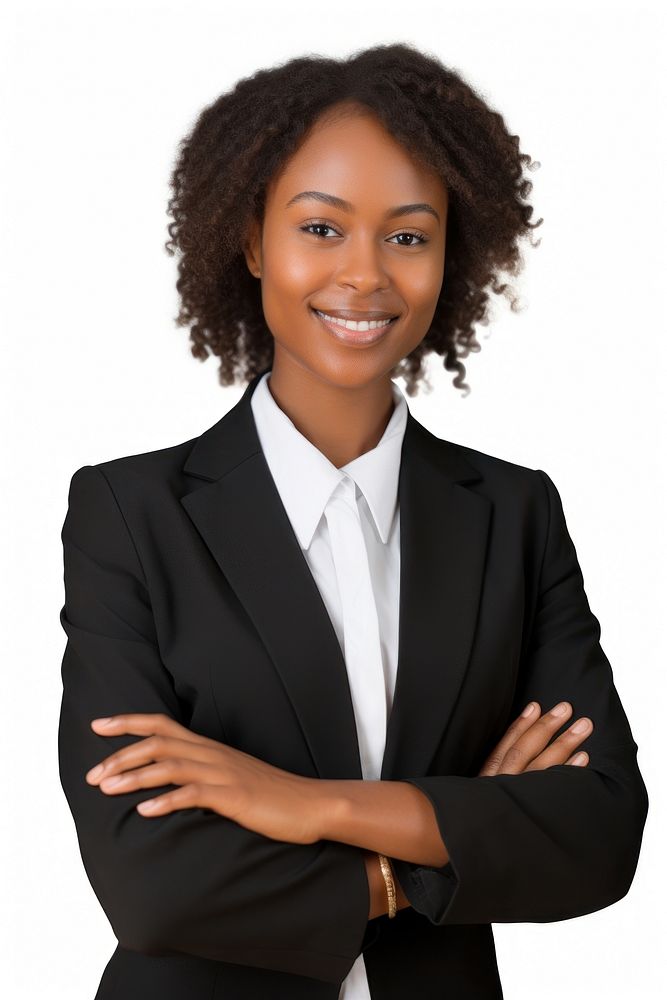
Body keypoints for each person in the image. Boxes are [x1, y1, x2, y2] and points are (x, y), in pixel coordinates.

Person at [58, 42, 649, 1000]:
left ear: (452, 254)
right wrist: (443, 841)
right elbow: (150, 883)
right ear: (252, 241)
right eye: (321, 228)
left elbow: (598, 832)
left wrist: (302, 804)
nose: (365, 274)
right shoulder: (131, 515)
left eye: (408, 236)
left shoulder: (513, 514)